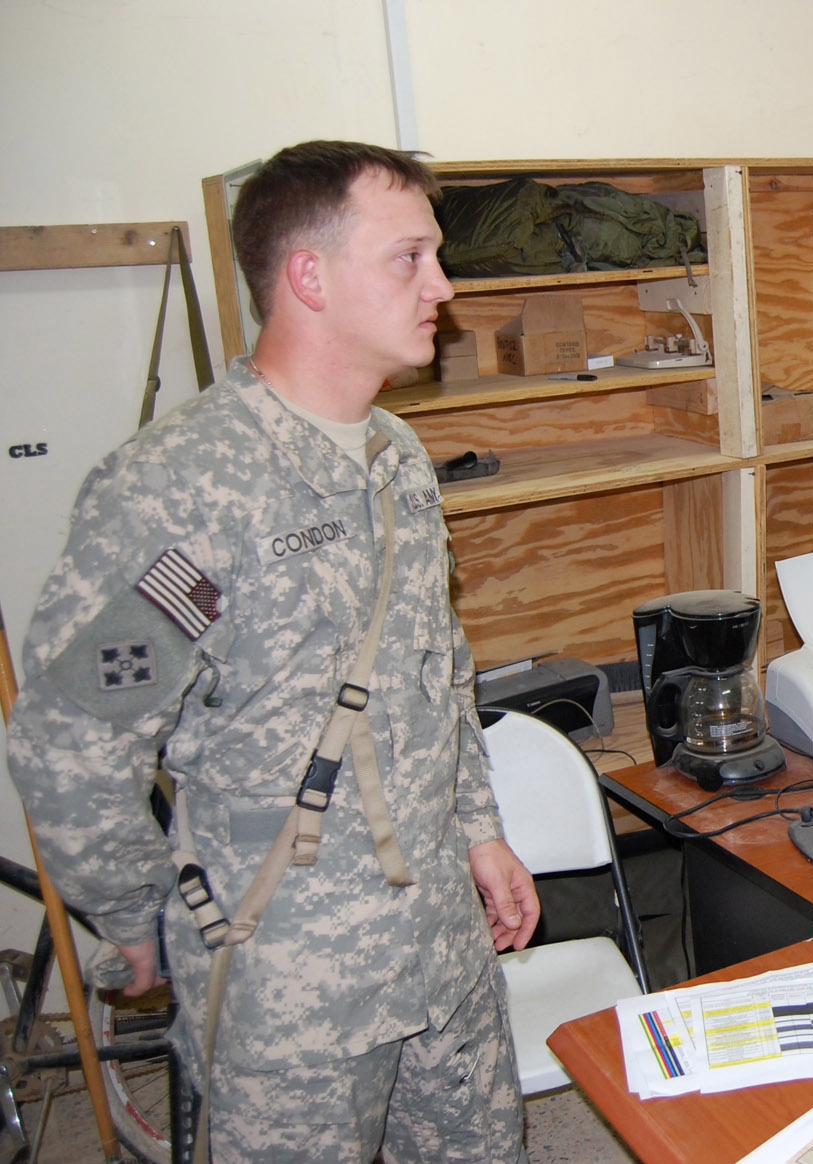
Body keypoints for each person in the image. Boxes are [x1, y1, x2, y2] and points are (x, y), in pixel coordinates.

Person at [6, 140, 540, 1161]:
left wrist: (478, 828)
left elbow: (439, 667)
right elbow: (72, 742)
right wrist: (136, 910)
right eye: (410, 257)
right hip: (290, 988)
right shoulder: (184, 489)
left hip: (440, 951)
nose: (444, 285)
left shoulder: (396, 457)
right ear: (308, 276)